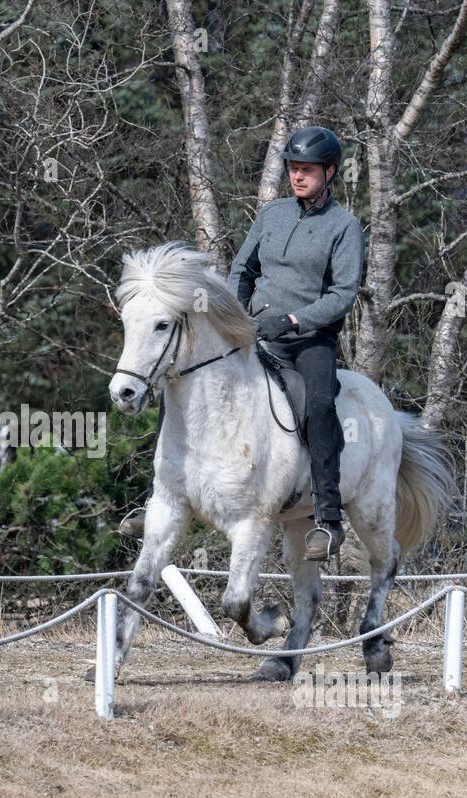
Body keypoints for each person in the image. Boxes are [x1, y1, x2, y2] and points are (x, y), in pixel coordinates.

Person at [119, 125, 364, 562]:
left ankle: (328, 521)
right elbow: (241, 270)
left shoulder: (344, 227)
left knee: (321, 404)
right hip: (258, 333)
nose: (297, 176)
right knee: (182, 379)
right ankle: (155, 494)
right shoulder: (273, 215)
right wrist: (240, 315)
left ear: (330, 172)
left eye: (306, 170)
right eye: (292, 168)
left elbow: (343, 294)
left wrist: (293, 320)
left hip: (309, 341)